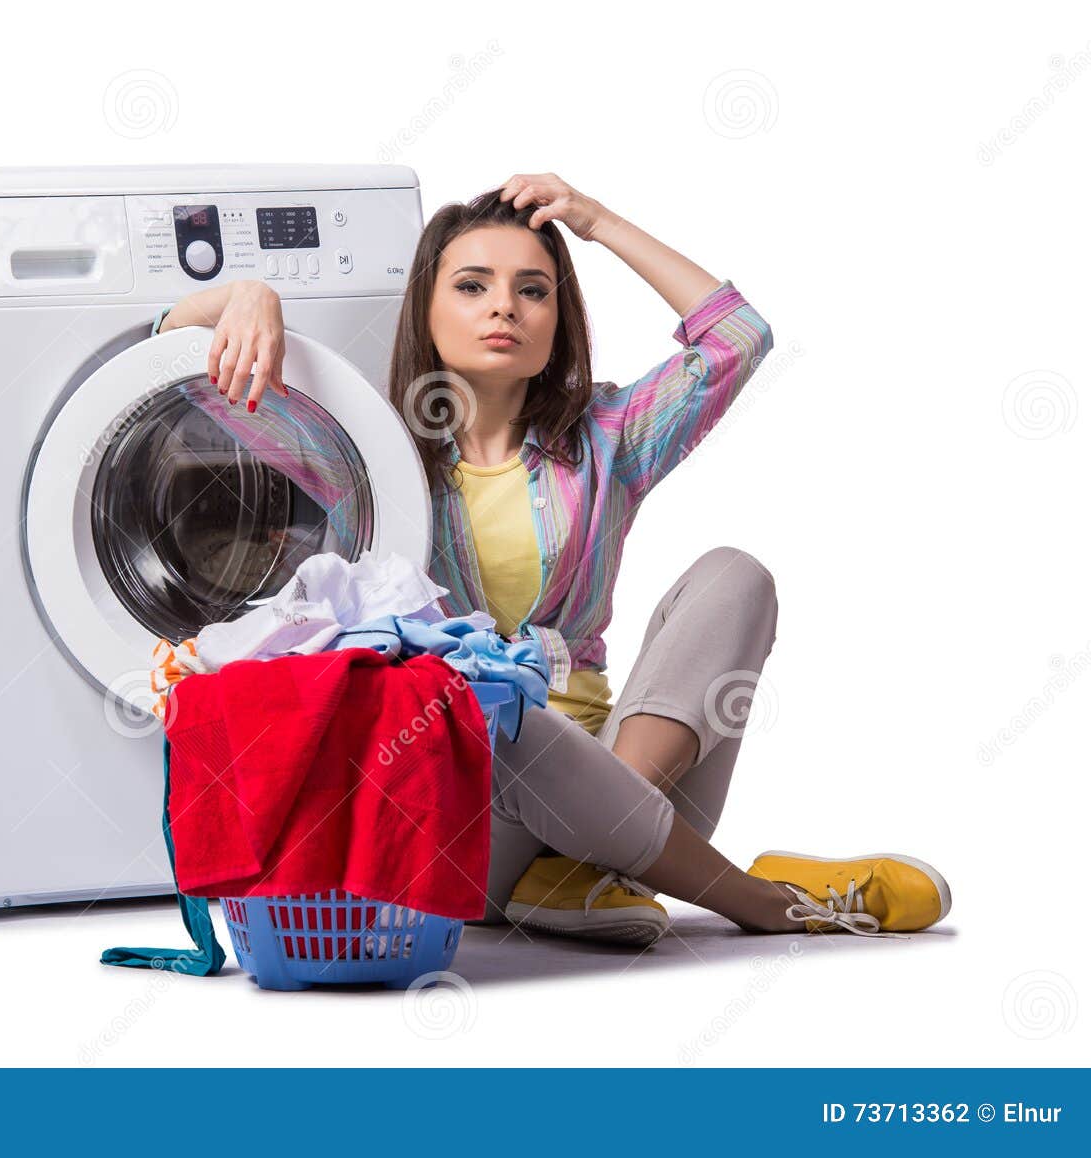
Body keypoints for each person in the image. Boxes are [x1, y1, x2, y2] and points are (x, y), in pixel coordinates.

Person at [151, 172, 949, 946]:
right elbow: (169, 363)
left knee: (736, 574)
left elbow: (740, 336)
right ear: (424, 308)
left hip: (635, 787)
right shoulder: (365, 454)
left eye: (533, 289)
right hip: (478, 821)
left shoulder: (608, 440)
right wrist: (250, 295)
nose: (505, 304)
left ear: (557, 318)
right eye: (472, 285)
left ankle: (586, 874)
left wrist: (596, 222)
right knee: (493, 704)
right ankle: (758, 898)